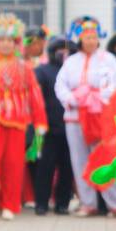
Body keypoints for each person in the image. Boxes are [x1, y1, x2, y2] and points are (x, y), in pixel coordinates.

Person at [0, 14, 47, 218]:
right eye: (2, 40)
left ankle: (10, 204)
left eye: (10, 40)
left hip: (16, 122)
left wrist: (40, 120)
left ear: (16, 43)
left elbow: (34, 95)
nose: (6, 44)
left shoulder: (24, 69)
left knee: (14, 165)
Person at [55, 17, 116, 217]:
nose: (90, 41)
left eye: (93, 37)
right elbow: (60, 86)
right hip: (76, 117)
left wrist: (97, 97)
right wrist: (74, 98)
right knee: (79, 160)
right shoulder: (70, 62)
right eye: (86, 37)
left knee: (104, 158)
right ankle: (88, 203)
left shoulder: (108, 60)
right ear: (80, 39)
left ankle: (115, 204)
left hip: (99, 116)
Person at [34, 37, 75, 215]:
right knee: (45, 168)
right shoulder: (42, 71)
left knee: (68, 168)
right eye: (59, 49)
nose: (63, 53)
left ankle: (62, 203)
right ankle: (41, 203)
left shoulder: (75, 71)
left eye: (67, 50)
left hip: (71, 127)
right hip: (49, 128)